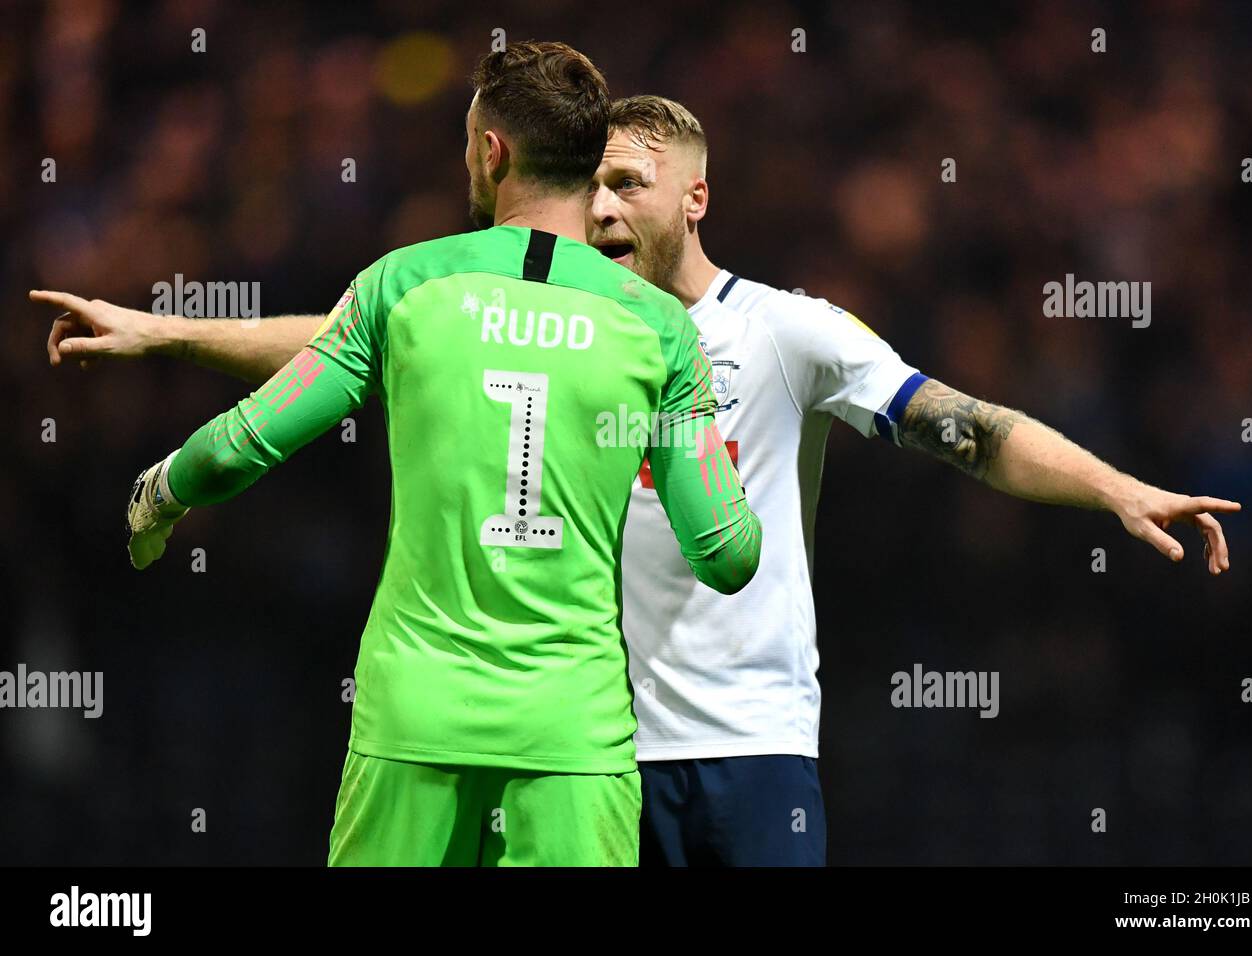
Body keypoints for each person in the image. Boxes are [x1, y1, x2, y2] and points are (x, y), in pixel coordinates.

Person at [37, 95, 1237, 867]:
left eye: (633, 184)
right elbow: (346, 338)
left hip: (753, 744)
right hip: (591, 750)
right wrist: (165, 330)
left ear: (694, 198)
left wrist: (1113, 486)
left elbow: (964, 427)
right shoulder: (535, 315)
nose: (605, 205)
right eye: (594, 181)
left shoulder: (787, 330)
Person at [32, 52, 761, 867]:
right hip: (571, 730)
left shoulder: (406, 284)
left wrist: (160, 494)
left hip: (415, 715)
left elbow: (246, 442)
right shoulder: (659, 328)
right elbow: (725, 554)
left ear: (492, 153)